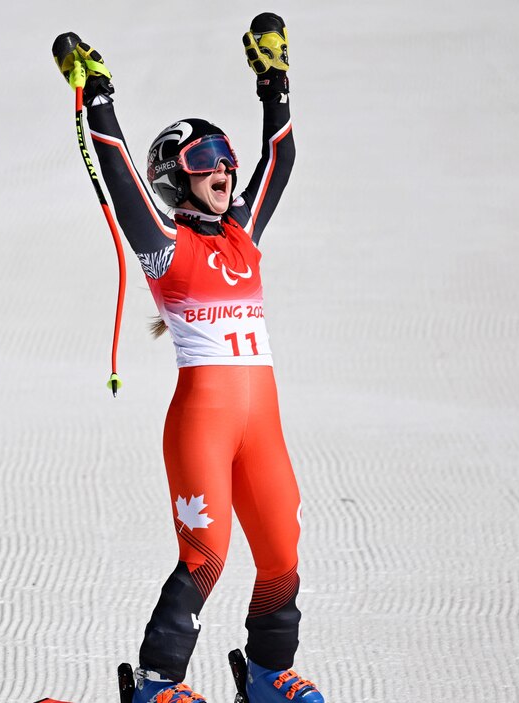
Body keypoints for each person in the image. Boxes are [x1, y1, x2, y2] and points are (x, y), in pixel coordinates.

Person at [55, 14, 323, 703]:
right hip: (202, 424)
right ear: (177, 179)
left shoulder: (244, 234)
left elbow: (282, 158)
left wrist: (276, 80)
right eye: (205, 163)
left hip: (261, 425)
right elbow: (118, 178)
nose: (225, 170)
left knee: (282, 557)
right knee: (205, 557)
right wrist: (101, 94)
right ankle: (157, 684)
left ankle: (268, 674)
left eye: (226, 158)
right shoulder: (166, 248)